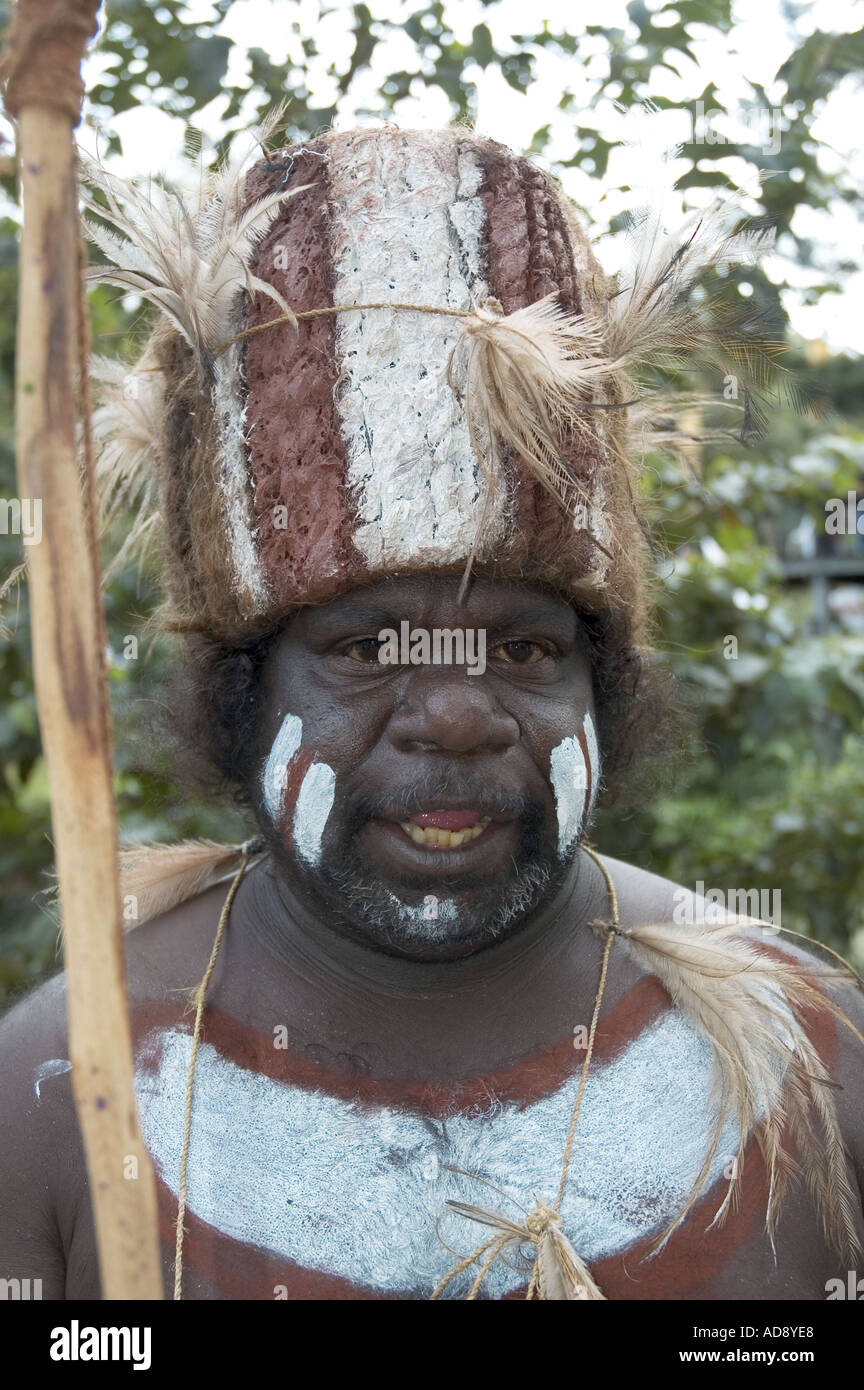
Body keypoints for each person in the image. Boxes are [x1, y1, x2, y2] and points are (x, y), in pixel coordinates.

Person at [1, 125, 862, 1301]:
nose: (458, 713)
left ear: (600, 683)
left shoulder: (813, 1062)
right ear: (244, 696)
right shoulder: (60, 1086)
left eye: (524, 643)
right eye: (364, 646)